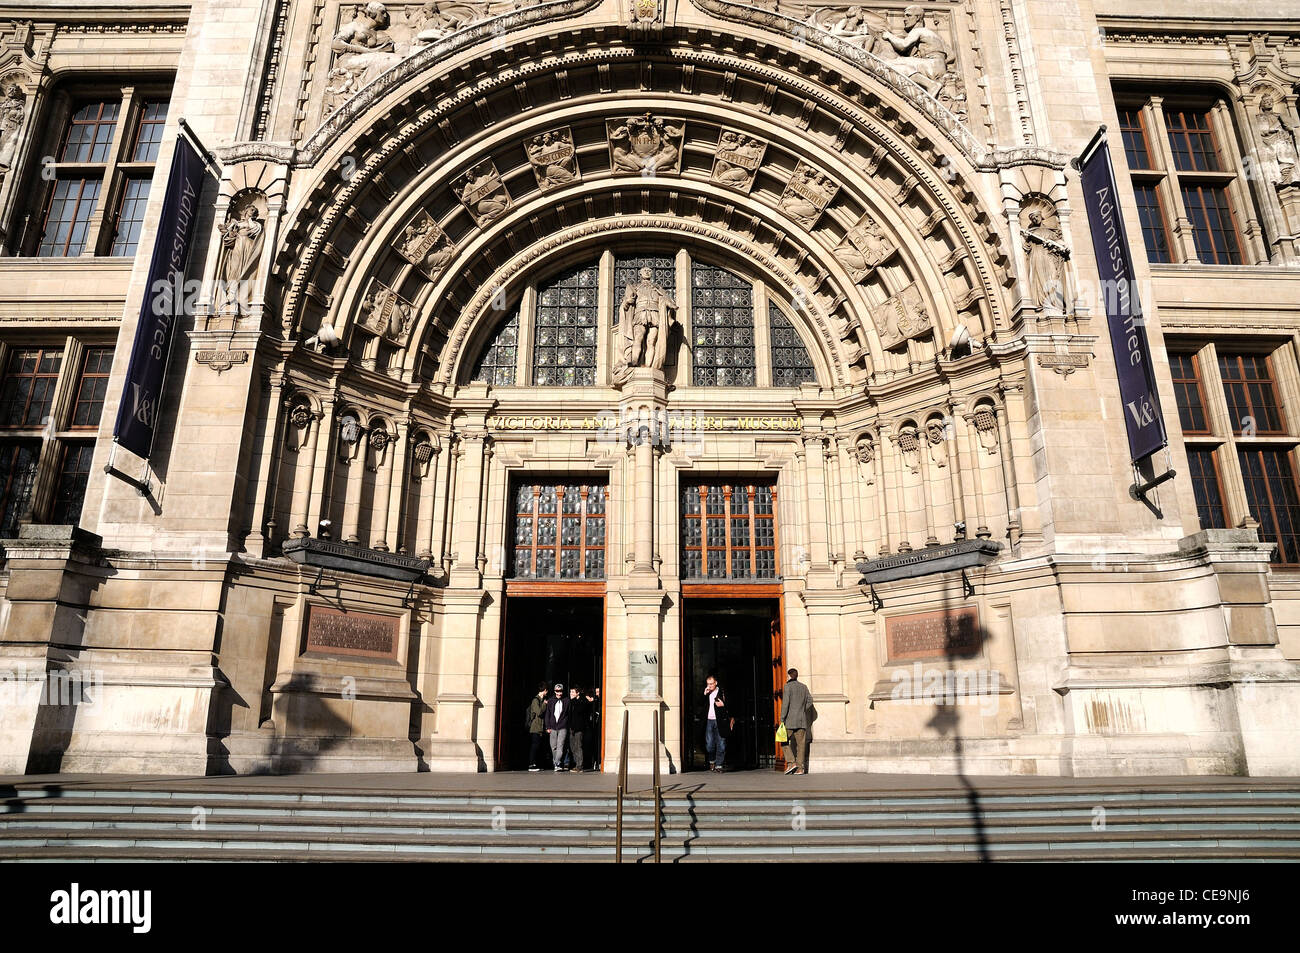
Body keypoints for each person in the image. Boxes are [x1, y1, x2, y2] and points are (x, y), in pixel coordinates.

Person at [780, 668, 815, 776]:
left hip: (790, 720)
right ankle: (800, 768)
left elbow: (785, 704)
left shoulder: (788, 686)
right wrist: (802, 709)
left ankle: (791, 762)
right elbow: (810, 700)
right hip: (801, 719)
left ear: (789, 676)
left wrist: (782, 718)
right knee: (801, 745)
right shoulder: (803, 687)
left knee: (783, 740)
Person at [703, 674, 732, 773]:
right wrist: (704, 695)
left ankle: (719, 765)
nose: (709, 686)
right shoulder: (707, 693)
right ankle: (712, 761)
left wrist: (723, 704)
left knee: (721, 744)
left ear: (716, 683)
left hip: (721, 721)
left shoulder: (722, 692)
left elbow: (732, 705)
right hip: (709, 721)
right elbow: (699, 705)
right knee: (709, 744)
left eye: (711, 684)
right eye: (708, 684)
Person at [543, 682, 569, 772]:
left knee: (560, 746)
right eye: (557, 691)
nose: (559, 693)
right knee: (553, 746)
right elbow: (548, 714)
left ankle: (557, 762)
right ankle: (556, 763)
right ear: (554, 691)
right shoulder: (550, 701)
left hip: (563, 727)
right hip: (552, 727)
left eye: (560, 691)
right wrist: (547, 727)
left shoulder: (566, 700)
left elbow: (569, 714)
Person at [567, 686, 592, 773]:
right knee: (572, 746)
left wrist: (573, 700)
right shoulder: (571, 701)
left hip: (579, 728)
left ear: (577, 693)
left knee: (578, 746)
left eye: (573, 692)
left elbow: (579, 710)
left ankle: (579, 766)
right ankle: (577, 763)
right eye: (570, 692)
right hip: (572, 728)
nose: (571, 694)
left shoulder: (582, 700)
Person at [526, 682, 548, 772]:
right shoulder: (536, 700)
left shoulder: (542, 699)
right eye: (546, 691)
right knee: (534, 746)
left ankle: (536, 763)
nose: (547, 693)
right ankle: (531, 764)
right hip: (535, 728)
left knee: (538, 746)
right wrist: (545, 704)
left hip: (540, 727)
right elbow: (538, 712)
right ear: (544, 690)